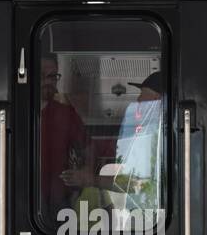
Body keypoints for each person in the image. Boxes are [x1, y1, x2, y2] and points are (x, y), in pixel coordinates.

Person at [62, 71, 164, 212]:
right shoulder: (154, 134)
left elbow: (138, 183)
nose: (139, 100)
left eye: (143, 94)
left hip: (149, 216)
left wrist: (92, 180)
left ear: (157, 100)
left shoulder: (156, 138)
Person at [39, 52, 89, 214]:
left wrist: (86, 173)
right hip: (22, 198)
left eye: (53, 76)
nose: (48, 81)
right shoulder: (17, 114)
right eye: (42, 75)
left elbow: (88, 147)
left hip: (60, 203)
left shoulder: (66, 113)